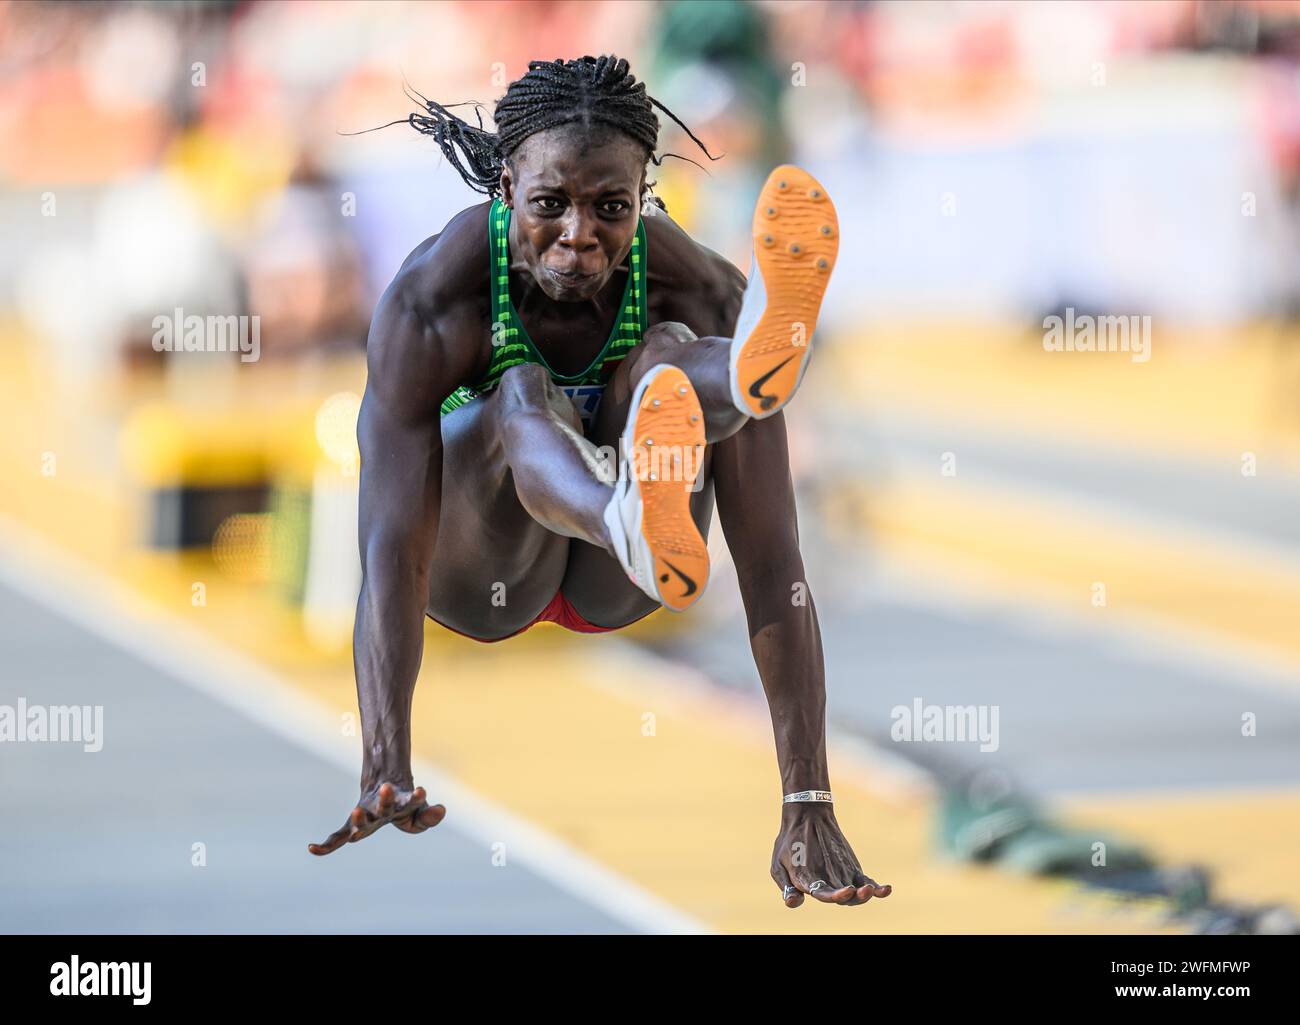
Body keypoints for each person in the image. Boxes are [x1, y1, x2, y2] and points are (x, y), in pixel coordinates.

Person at [310, 55, 891, 909]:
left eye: (611, 208)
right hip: (487, 581)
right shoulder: (435, 299)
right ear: (506, 186)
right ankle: (624, 503)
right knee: (520, 392)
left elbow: (772, 561)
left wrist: (807, 796)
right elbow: (391, 549)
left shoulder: (692, 283)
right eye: (551, 204)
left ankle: (745, 376)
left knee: (662, 354)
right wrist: (385, 754)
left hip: (626, 584)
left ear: (644, 196)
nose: (580, 236)